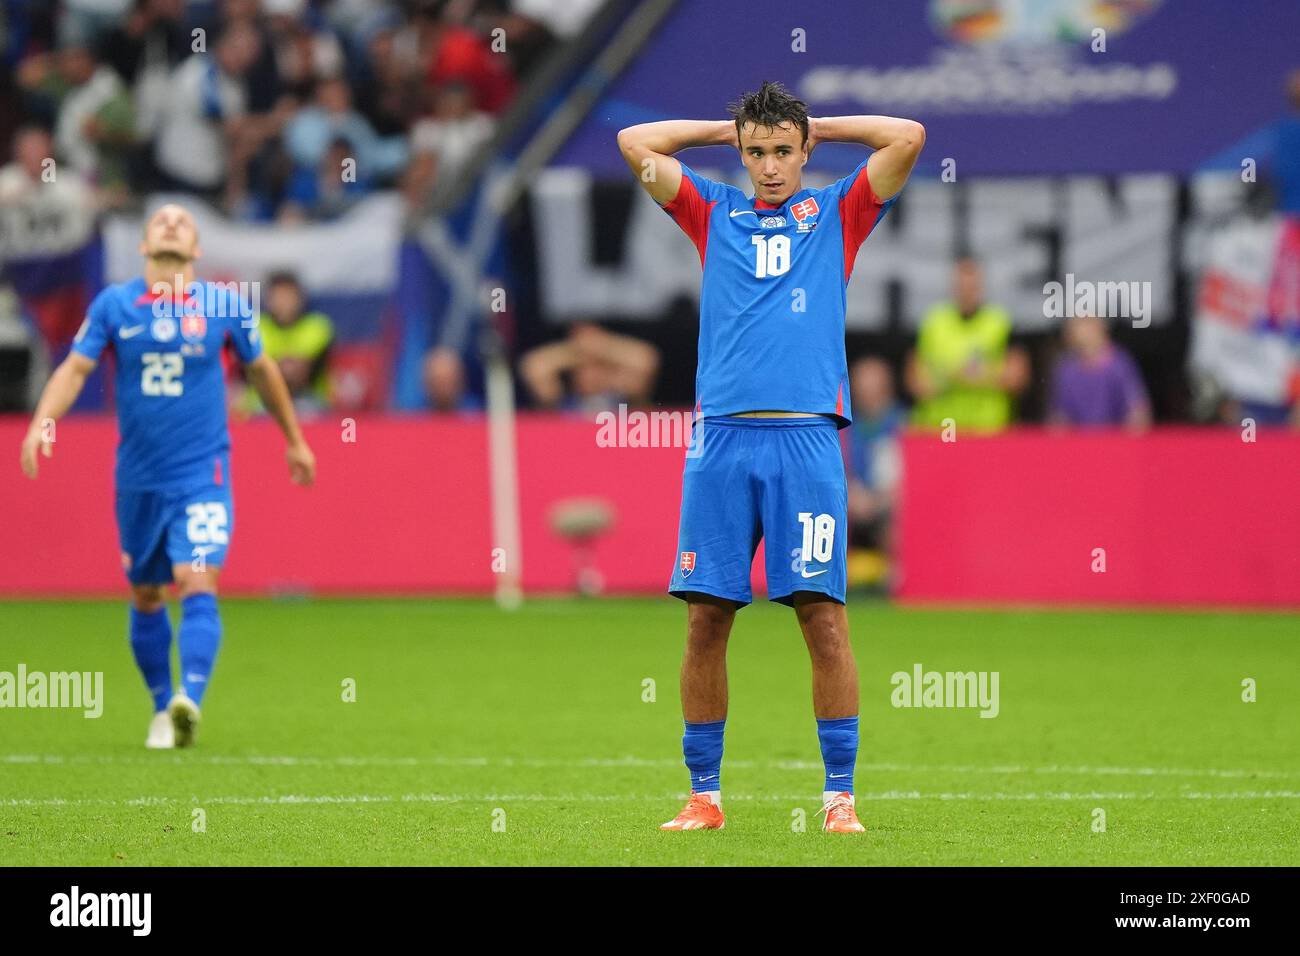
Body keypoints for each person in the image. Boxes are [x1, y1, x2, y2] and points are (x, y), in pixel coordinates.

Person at [618, 81, 923, 833]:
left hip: (807, 442)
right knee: (705, 623)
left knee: (823, 621)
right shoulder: (710, 210)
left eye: (783, 151)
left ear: (804, 148)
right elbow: (635, 143)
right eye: (757, 152)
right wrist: (722, 134)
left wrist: (819, 125)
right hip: (722, 441)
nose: (771, 166)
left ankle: (839, 798)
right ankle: (704, 797)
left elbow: (908, 135)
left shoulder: (837, 215)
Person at [19, 203, 316, 749]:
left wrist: (294, 439)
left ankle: (190, 699)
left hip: (204, 473)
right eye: (161, 220)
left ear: (198, 249)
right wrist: (43, 424)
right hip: (138, 481)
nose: (173, 224)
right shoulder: (114, 305)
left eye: (184, 222)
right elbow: (75, 368)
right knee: (148, 594)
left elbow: (262, 369)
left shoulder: (225, 306)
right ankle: (162, 709)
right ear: (143, 244)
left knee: (196, 575)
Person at [907, 257, 1029, 432]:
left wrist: (981, 375)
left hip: (989, 431)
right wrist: (953, 376)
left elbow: (1018, 378)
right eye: (962, 287)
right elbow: (916, 384)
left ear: (981, 287)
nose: (967, 293)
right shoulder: (932, 322)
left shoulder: (1001, 322)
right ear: (953, 287)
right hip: (940, 431)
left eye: (972, 287)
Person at [239, 271, 334, 415]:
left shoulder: (318, 326)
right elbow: (255, 371)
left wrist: (281, 367)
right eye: (278, 297)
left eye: (288, 296)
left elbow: (303, 373)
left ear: (300, 298)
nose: (284, 303)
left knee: (309, 409)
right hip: (261, 403)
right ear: (268, 300)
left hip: (308, 400)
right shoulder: (254, 326)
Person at [518, 321, 659, 413]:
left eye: (596, 367)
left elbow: (645, 360)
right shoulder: (560, 403)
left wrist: (604, 346)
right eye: (581, 368)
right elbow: (533, 367)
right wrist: (574, 348)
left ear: (608, 371)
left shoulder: (626, 401)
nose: (588, 374)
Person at [844, 356, 905, 557]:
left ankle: (898, 580)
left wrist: (880, 501)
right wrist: (850, 495)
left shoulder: (904, 424)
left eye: (873, 388)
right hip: (852, 501)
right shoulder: (843, 426)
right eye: (862, 388)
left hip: (890, 503)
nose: (868, 394)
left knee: (899, 521)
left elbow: (912, 477)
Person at [1049, 313, 1151, 430]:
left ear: (1100, 328)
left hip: (1115, 441)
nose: (1081, 331)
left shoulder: (1120, 365)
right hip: (1077, 444)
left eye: (1086, 324)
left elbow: (1138, 411)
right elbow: (1058, 416)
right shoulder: (1065, 369)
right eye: (1076, 326)